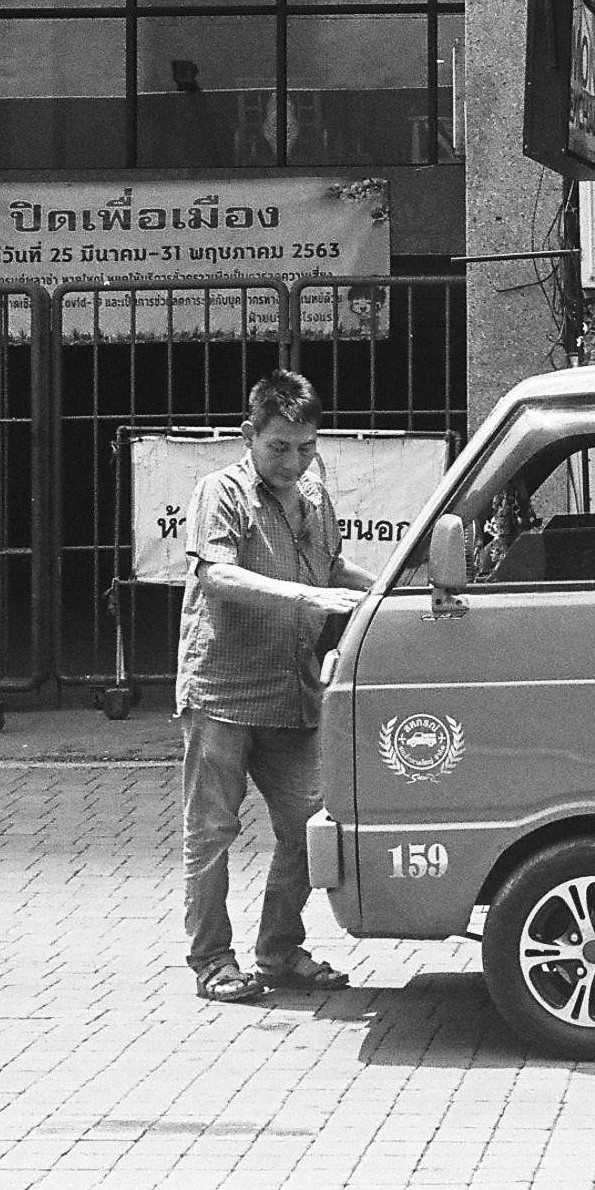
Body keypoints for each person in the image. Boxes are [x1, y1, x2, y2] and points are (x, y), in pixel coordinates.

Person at [178, 370, 375, 1002]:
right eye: (278, 448)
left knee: (311, 823)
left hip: (293, 693)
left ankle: (278, 950)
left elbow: (332, 566)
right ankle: (212, 962)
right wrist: (307, 596)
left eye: (305, 448)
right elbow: (218, 576)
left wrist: (388, 590)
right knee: (212, 831)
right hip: (223, 693)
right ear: (249, 435)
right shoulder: (222, 492)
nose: (292, 462)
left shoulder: (315, 498)